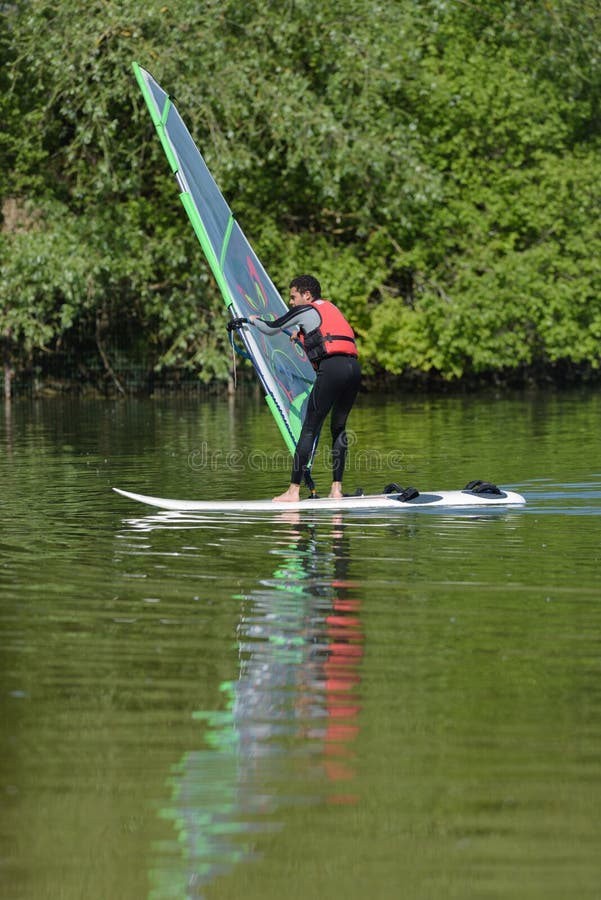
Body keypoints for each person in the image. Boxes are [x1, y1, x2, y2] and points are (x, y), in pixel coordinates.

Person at [231, 274, 361, 502]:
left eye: (293, 297)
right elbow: (323, 334)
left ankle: (293, 491)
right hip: (353, 369)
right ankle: (336, 489)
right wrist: (300, 334)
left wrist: (248, 319)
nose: (291, 302)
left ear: (307, 295)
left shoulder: (306, 309)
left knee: (309, 428)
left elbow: (271, 328)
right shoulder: (330, 308)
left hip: (332, 369)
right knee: (338, 428)